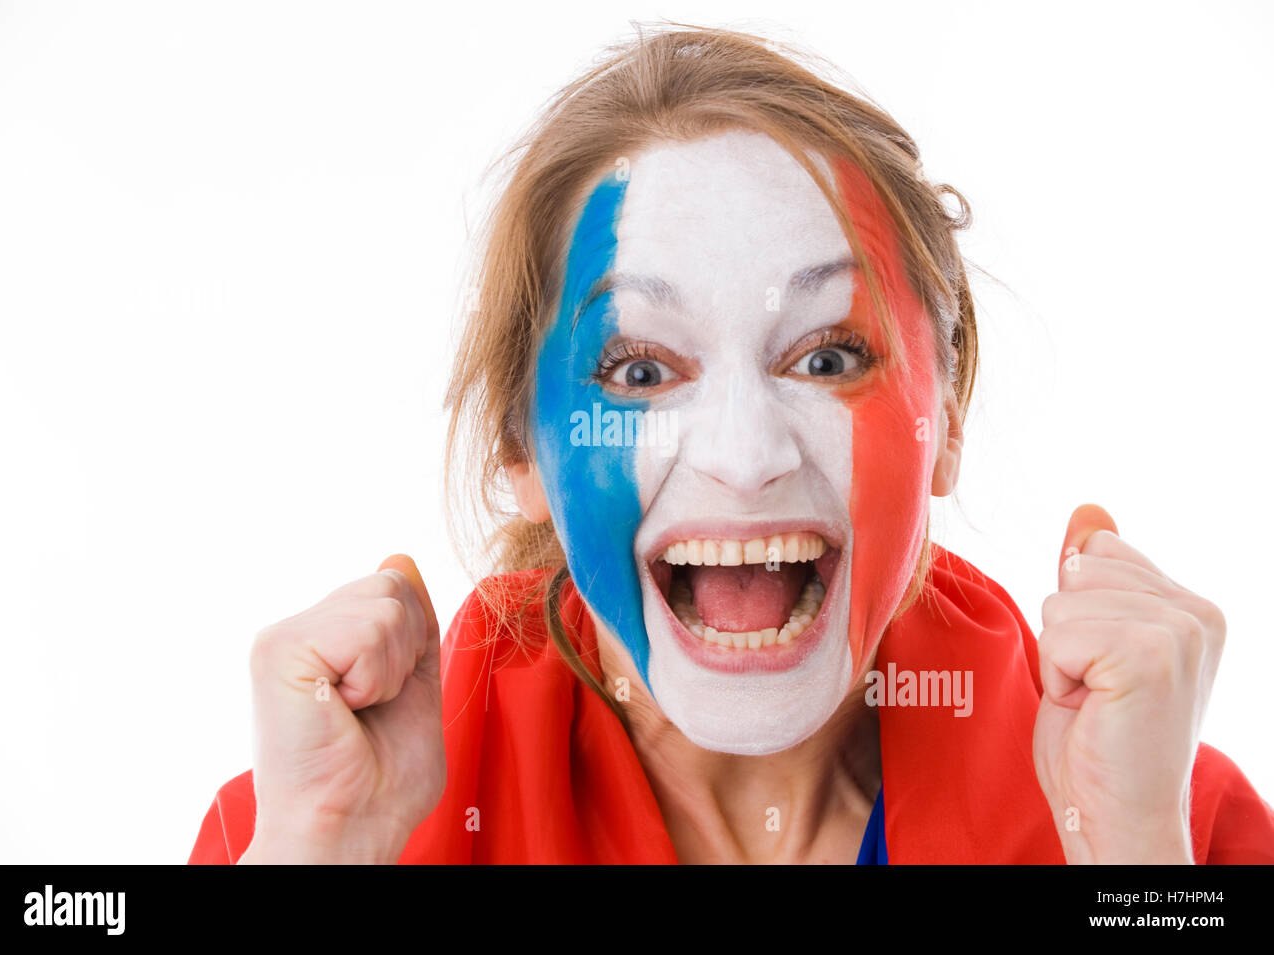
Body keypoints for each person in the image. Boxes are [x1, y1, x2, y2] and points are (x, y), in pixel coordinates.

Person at [189, 24, 1274, 864]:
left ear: (946, 418)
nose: (746, 454)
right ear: (518, 448)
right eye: (640, 372)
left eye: (828, 358)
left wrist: (1130, 857)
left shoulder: (1171, 816)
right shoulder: (311, 819)